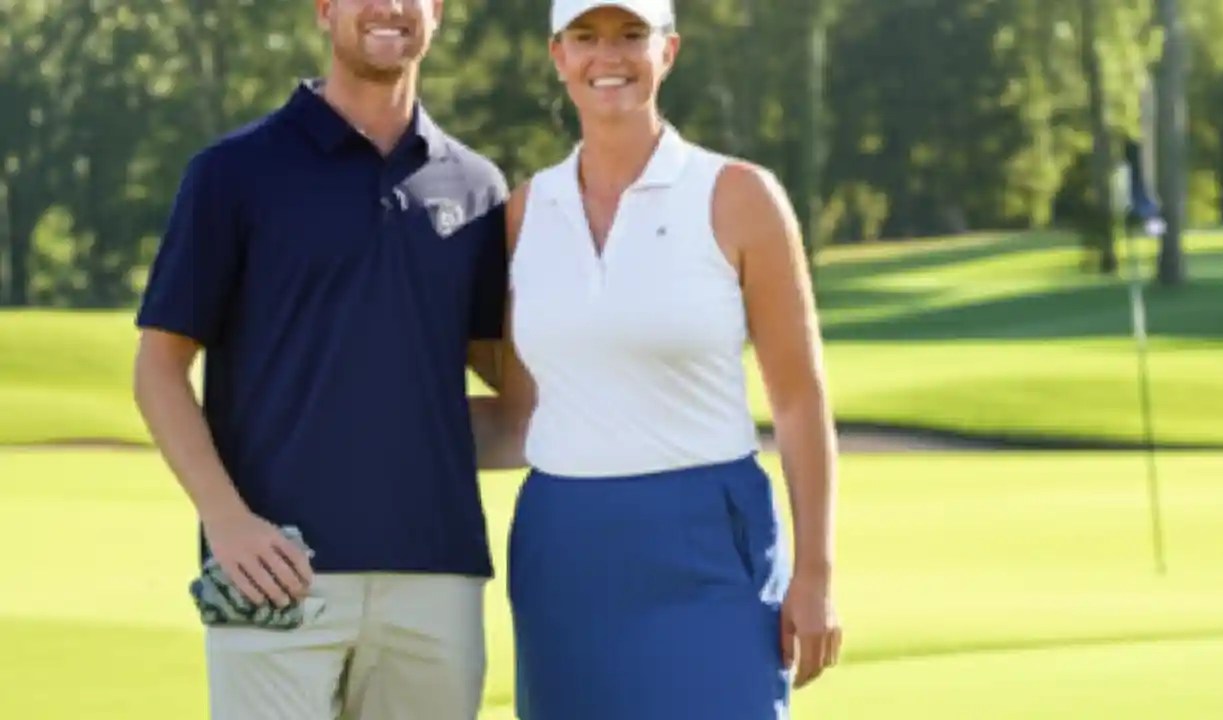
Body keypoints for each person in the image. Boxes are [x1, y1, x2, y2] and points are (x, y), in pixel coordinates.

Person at [132, 0, 509, 718]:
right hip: (275, 573)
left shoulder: (478, 188)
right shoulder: (232, 173)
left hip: (438, 576)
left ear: (439, 12)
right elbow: (158, 370)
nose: (390, 8)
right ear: (324, 9)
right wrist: (227, 523)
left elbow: (510, 387)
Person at [488, 0, 843, 716]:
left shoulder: (739, 196)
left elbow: (799, 398)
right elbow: (524, 402)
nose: (608, 57)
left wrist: (817, 572)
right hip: (564, 540)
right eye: (586, 38)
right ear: (559, 57)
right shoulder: (526, 211)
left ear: (668, 52)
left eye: (630, 36)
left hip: (708, 537)